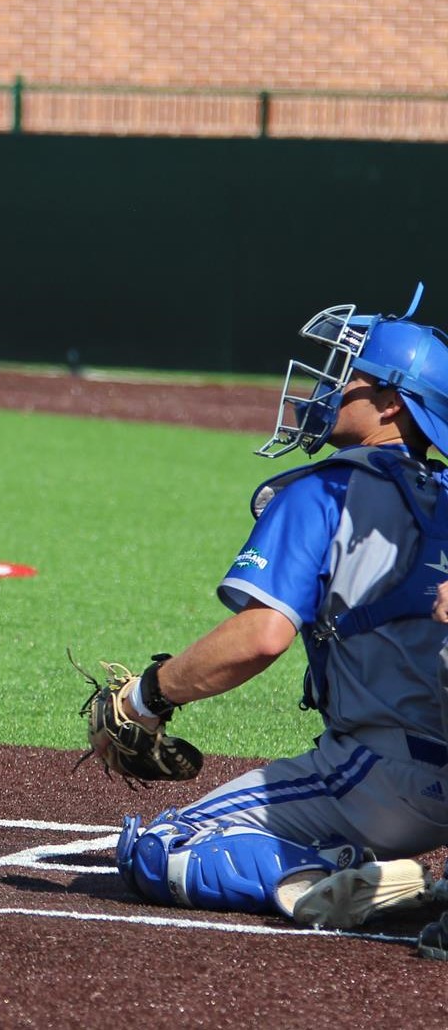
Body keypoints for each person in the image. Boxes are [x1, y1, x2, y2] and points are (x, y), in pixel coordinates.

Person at [106, 289, 448, 938]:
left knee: (161, 845)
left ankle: (337, 873)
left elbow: (261, 637)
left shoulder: (326, 489)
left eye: (355, 375)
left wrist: (146, 696)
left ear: (393, 400)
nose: (334, 386)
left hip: (375, 780)